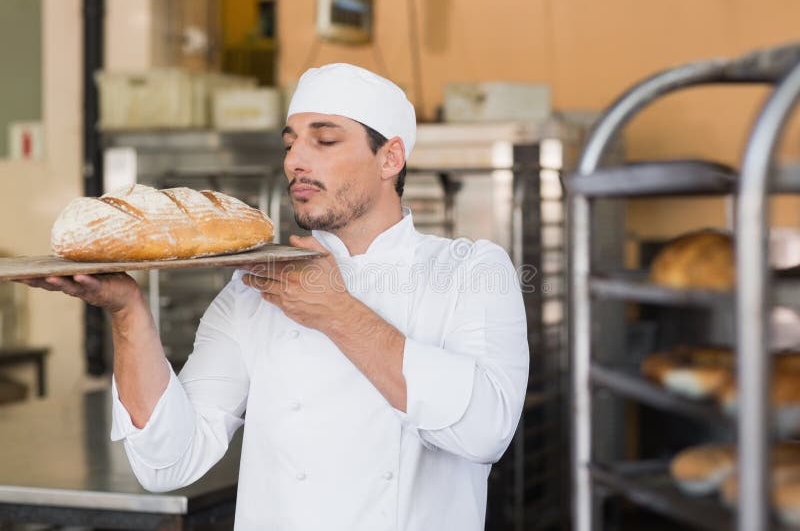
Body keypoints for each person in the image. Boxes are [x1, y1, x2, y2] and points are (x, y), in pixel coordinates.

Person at [20, 63, 529, 530]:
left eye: (324, 140)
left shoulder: (470, 271)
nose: (295, 161)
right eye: (290, 144)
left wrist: (338, 314)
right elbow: (168, 461)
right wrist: (127, 311)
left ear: (390, 157)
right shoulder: (256, 285)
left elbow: (485, 432)